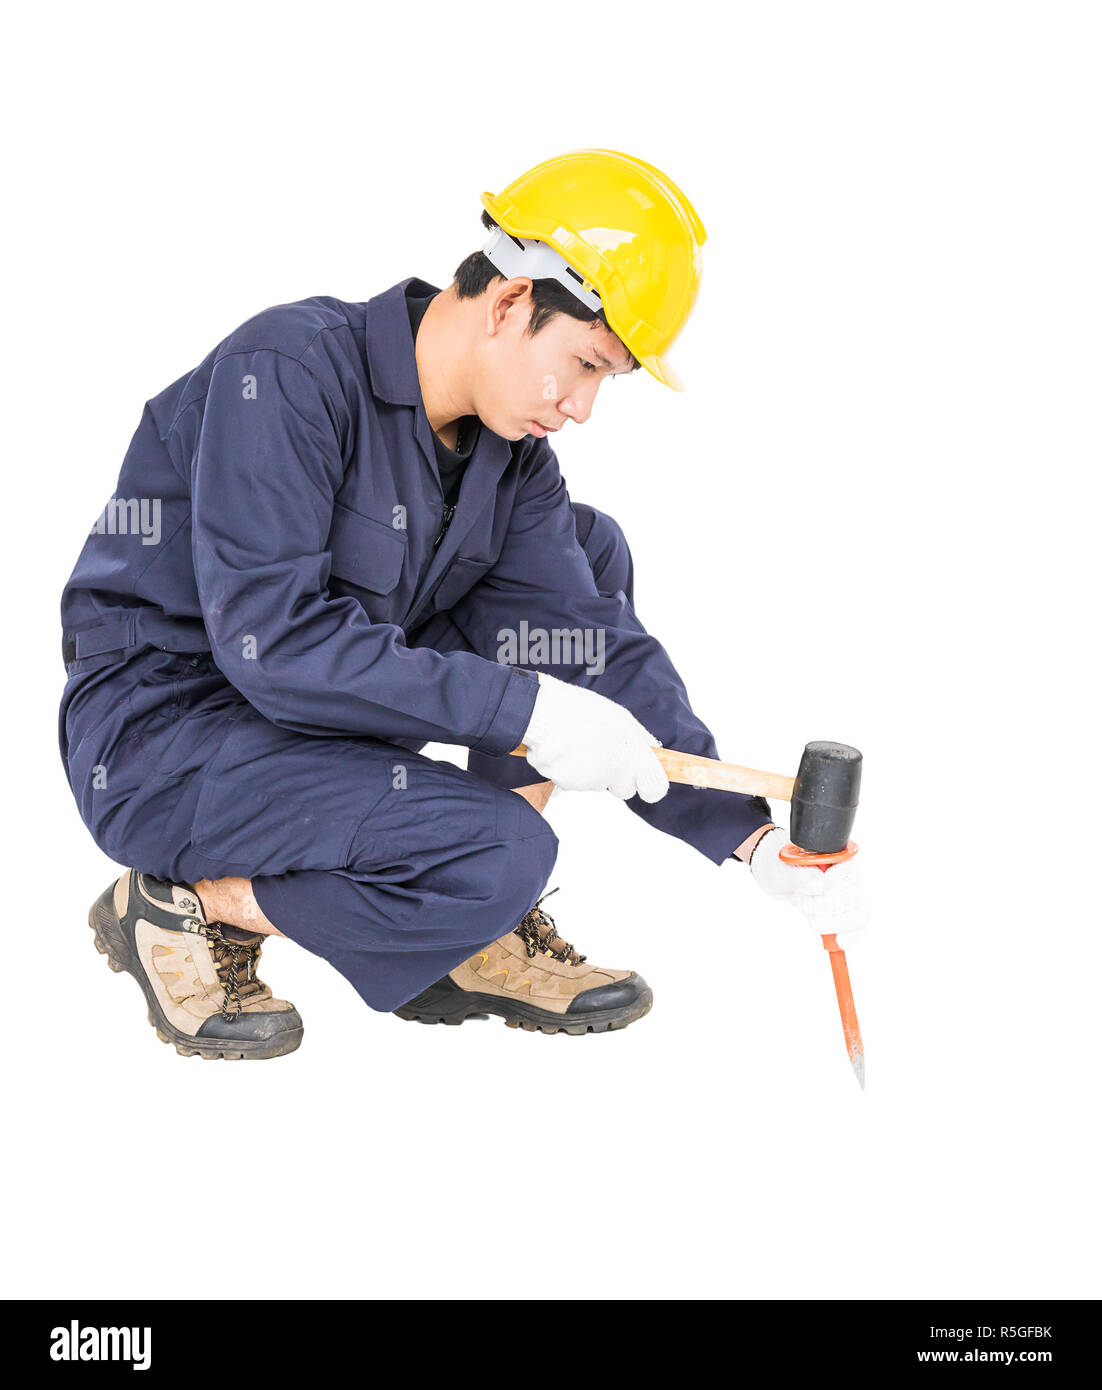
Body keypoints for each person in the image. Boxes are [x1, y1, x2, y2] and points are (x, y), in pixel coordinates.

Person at [60, 148, 867, 1060]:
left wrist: (750, 841)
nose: (584, 407)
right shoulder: (285, 371)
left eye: (607, 380)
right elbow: (274, 645)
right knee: (500, 857)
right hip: (168, 735)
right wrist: (526, 709)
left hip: (297, 733)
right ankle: (189, 907)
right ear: (514, 302)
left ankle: (466, 928)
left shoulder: (511, 463)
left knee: (587, 554)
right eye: (585, 364)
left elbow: (588, 644)